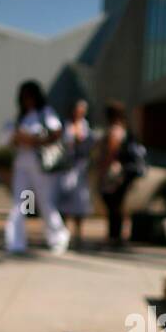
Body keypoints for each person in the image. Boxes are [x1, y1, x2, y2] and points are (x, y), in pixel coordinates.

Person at [2, 81, 69, 255]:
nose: (27, 100)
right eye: (24, 97)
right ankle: (16, 242)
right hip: (23, 165)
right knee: (22, 203)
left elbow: (56, 132)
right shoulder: (21, 117)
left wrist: (33, 140)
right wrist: (18, 138)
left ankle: (58, 236)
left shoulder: (45, 113)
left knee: (45, 202)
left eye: (29, 96)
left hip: (41, 166)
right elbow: (11, 140)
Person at [96, 100, 139, 247]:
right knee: (116, 204)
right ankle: (115, 236)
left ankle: (114, 236)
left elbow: (111, 152)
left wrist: (102, 170)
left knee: (113, 203)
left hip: (114, 172)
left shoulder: (115, 130)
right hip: (121, 172)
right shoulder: (124, 128)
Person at [57, 100, 93, 247]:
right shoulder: (65, 125)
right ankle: (63, 232)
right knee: (64, 199)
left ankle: (78, 234)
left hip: (80, 167)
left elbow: (90, 145)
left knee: (80, 201)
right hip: (66, 167)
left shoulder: (86, 126)